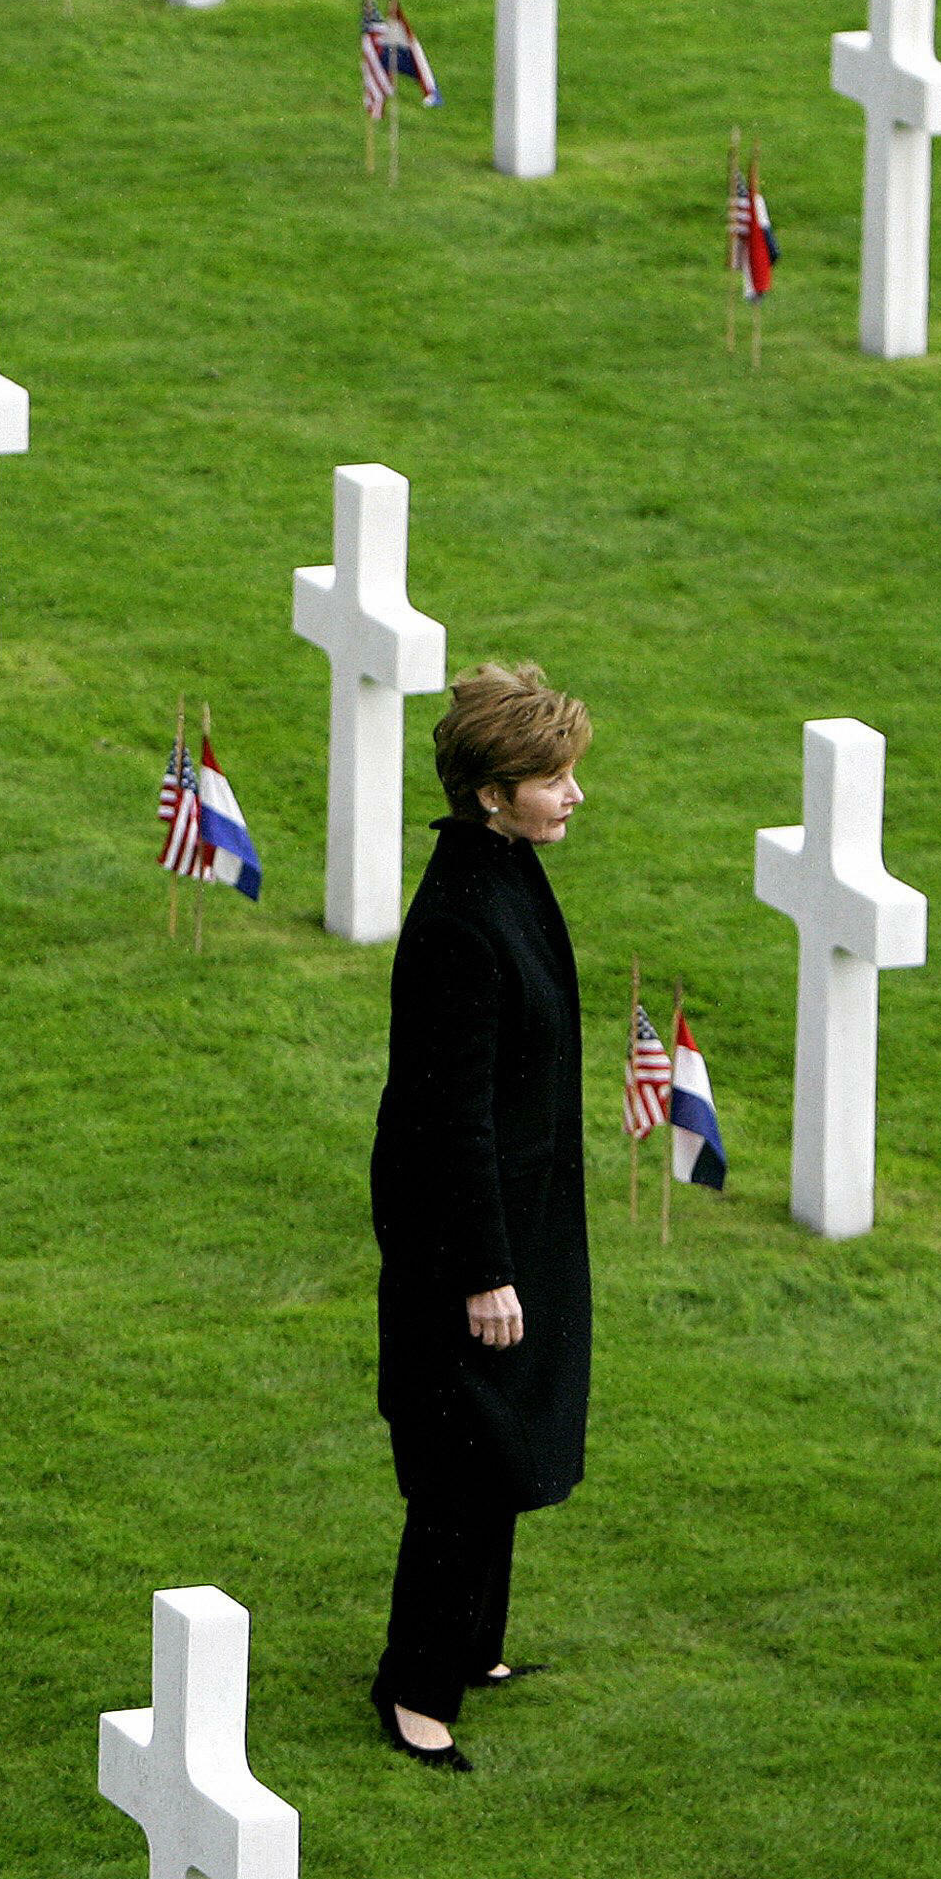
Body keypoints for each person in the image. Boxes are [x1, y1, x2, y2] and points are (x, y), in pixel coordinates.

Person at [364, 662, 593, 1771]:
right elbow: (445, 1118)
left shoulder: (501, 870)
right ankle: (413, 1690)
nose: (572, 795)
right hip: (466, 1241)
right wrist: (483, 1271)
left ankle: (474, 1645)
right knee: (461, 1462)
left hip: (516, 1217)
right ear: (491, 792)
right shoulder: (462, 920)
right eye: (551, 777)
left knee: (497, 1443)